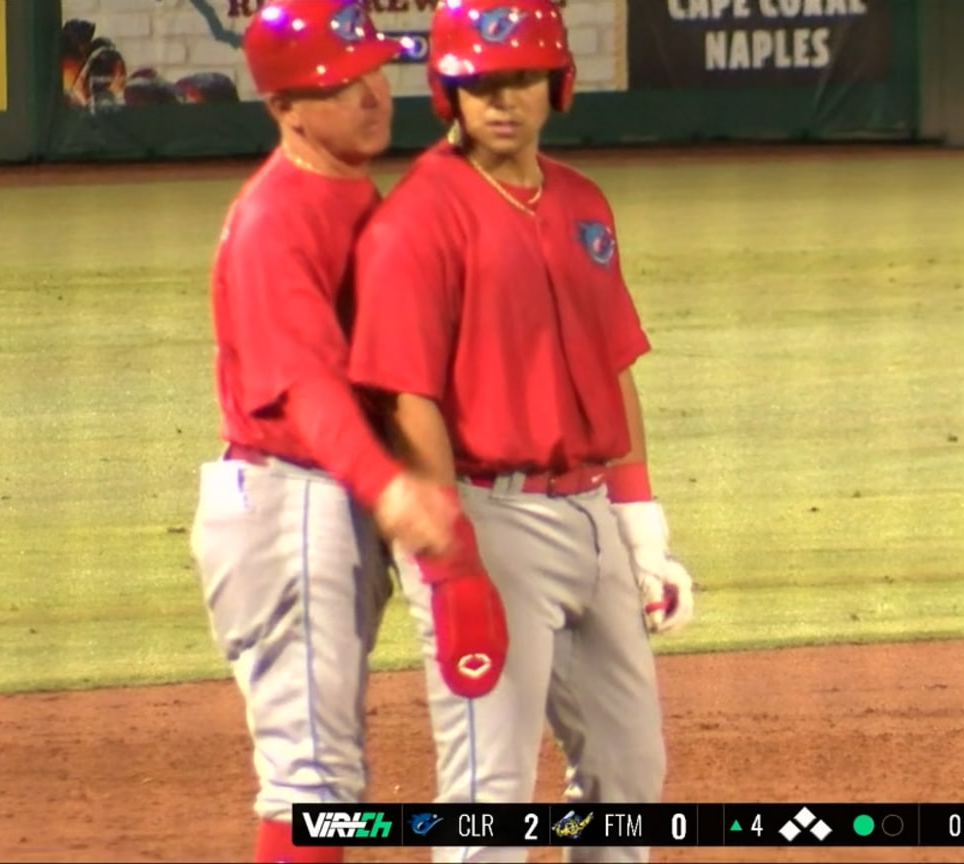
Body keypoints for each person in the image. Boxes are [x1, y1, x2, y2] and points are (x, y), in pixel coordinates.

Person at [346, 1, 698, 861]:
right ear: (448, 93)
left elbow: (616, 366)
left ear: (558, 85)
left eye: (524, 79)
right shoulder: (416, 219)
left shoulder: (583, 203)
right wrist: (450, 541)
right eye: (482, 83)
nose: (503, 100)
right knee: (488, 792)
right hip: (486, 516)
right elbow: (403, 395)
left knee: (628, 770)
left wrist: (642, 525)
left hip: (592, 517)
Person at [187, 3, 462, 861]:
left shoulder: (347, 190)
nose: (374, 94)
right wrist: (389, 488)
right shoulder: (280, 218)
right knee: (312, 780)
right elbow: (305, 388)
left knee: (325, 775)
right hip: (286, 500)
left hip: (323, 499)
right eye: (341, 86)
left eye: (376, 70)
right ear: (286, 108)